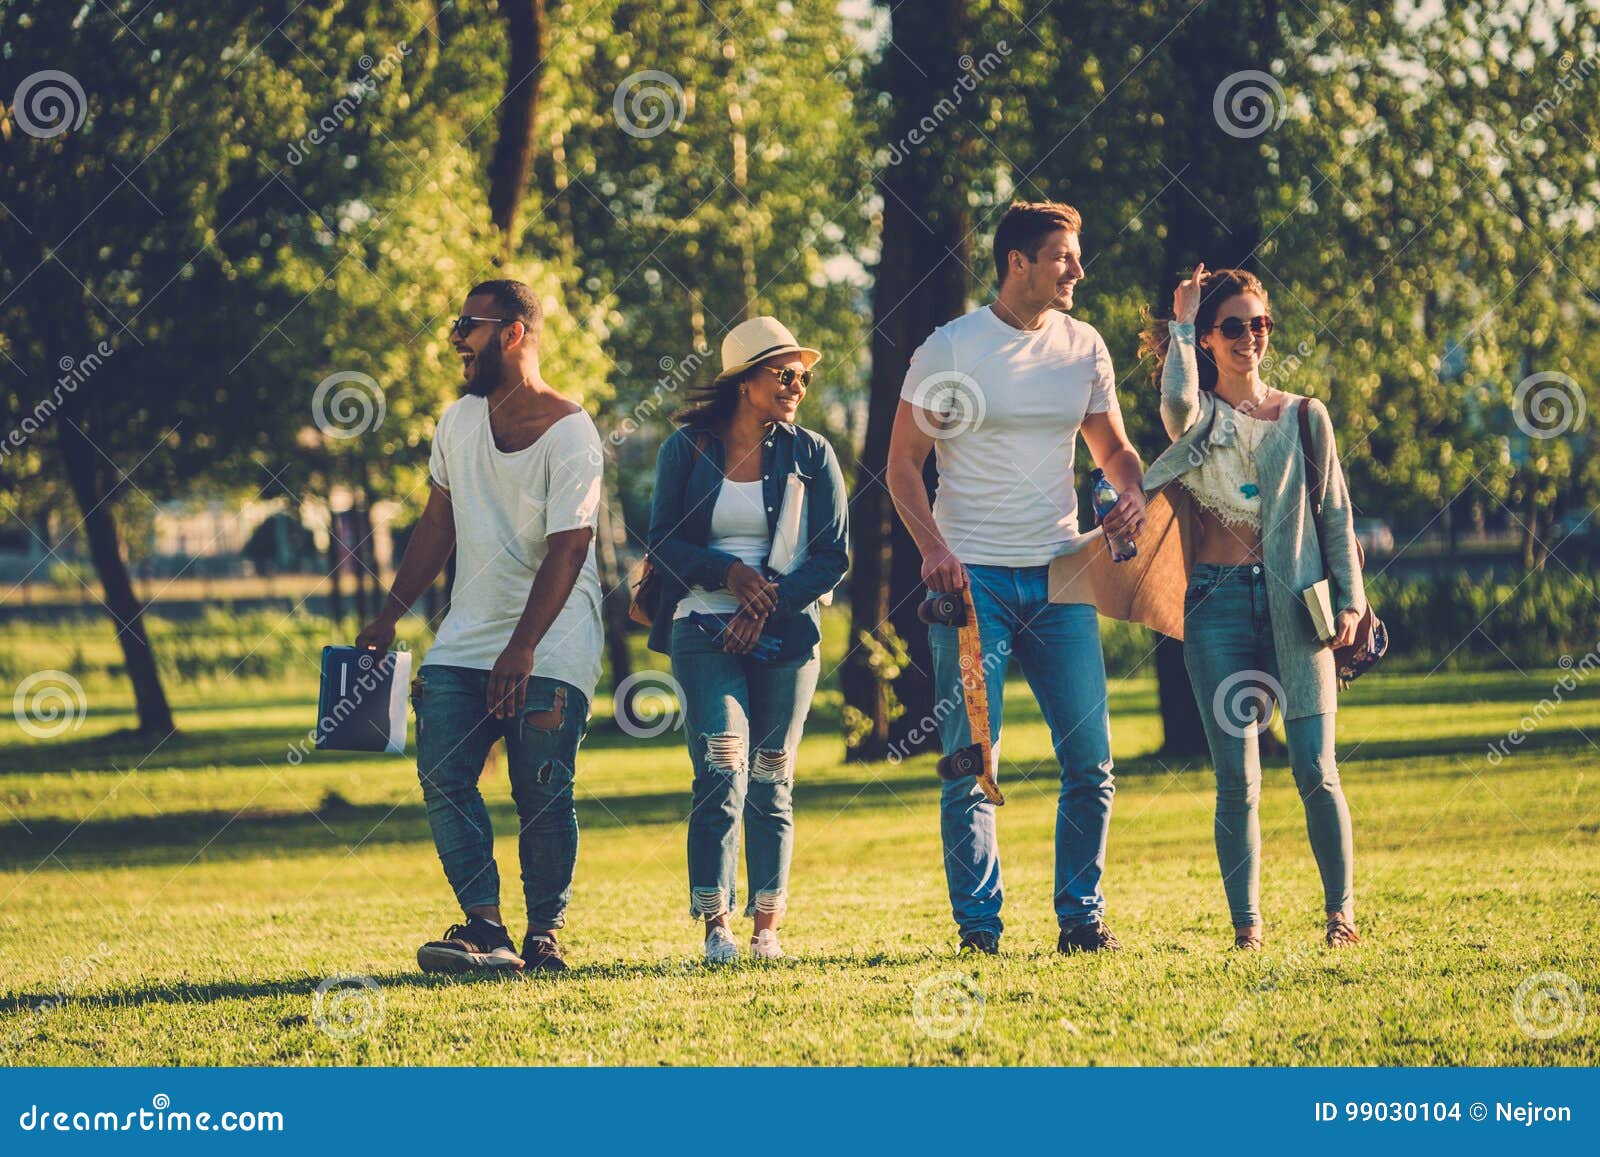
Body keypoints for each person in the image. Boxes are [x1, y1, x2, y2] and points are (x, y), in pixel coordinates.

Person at [886, 201, 1147, 956]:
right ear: (1018, 262)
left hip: (1062, 574)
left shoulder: (1083, 347)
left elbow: (1114, 449)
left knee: (1091, 759)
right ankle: (979, 928)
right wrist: (932, 548)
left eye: (1077, 255)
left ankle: (1081, 916)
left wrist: (1127, 491)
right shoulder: (951, 349)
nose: (1078, 270)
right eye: (1064, 257)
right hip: (973, 587)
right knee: (972, 761)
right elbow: (903, 463)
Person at [356, 278, 604, 974]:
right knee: (442, 770)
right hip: (465, 638)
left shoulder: (572, 431)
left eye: (469, 323)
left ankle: (545, 932)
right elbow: (438, 525)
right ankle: (486, 928)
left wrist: (523, 647)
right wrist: (390, 613)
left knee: (542, 787)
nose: (456, 337)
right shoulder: (456, 422)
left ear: (514, 333)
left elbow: (571, 547)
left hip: (552, 641)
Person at [1133, 264, 1363, 949]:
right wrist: (1178, 323)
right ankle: (1247, 929)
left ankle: (1340, 916)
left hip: (1300, 607)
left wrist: (1351, 598)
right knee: (1237, 780)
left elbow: (1336, 515)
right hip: (1217, 608)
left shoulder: (1304, 416)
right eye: (1233, 326)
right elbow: (1174, 405)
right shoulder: (1199, 420)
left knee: (1316, 768)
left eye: (1259, 325)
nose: (1250, 338)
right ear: (1208, 339)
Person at [646, 316, 849, 964]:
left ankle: (767, 926)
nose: (797, 384)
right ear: (744, 381)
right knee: (722, 757)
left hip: (787, 627)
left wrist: (767, 601)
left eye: (803, 376)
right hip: (702, 623)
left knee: (771, 771)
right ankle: (715, 924)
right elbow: (663, 544)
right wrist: (728, 573)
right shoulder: (687, 450)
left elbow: (832, 555)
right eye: (784, 373)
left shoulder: (811, 452)